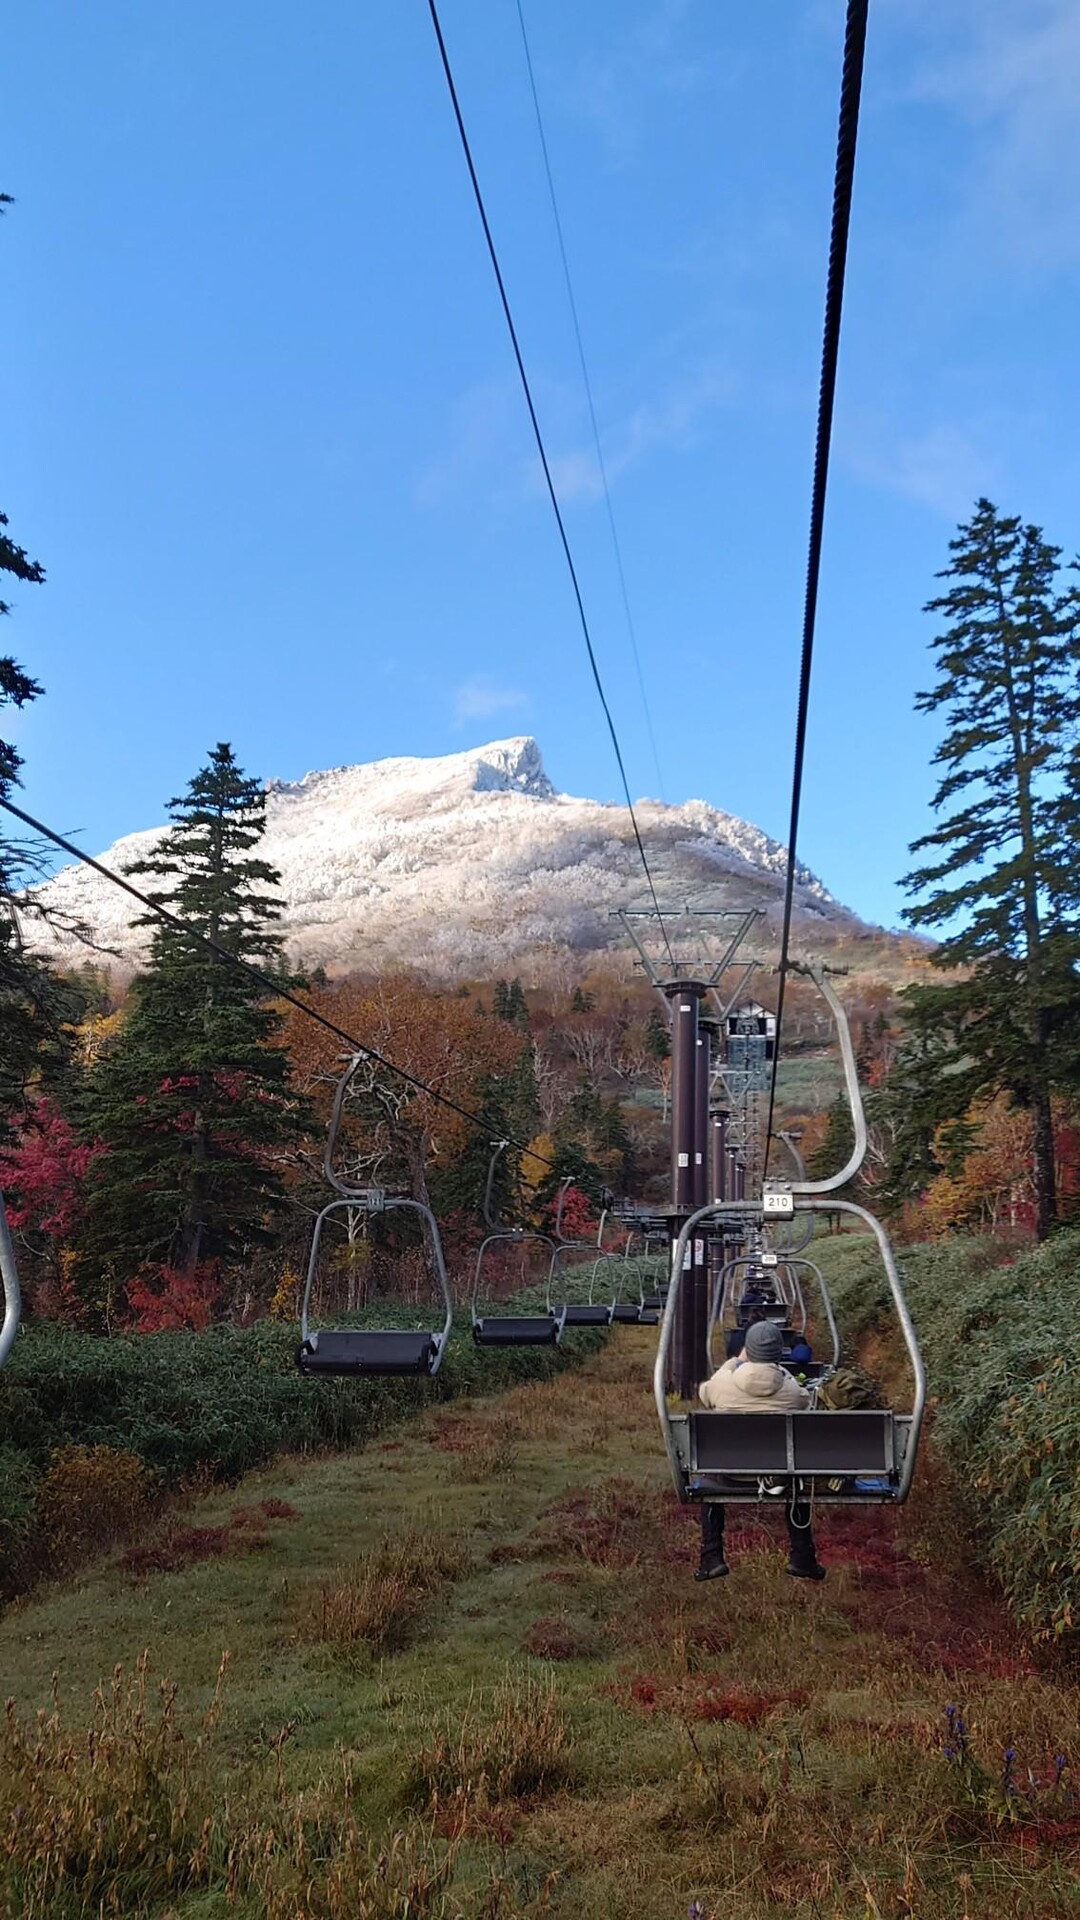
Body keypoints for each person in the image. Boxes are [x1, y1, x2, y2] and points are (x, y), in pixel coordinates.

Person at [694, 1319, 826, 1583]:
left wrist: (734, 1361)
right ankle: (802, 1556)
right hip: (777, 1474)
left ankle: (712, 1557)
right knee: (795, 1475)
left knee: (710, 1472)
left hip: (729, 1473)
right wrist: (782, 1370)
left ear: (747, 1351)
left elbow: (704, 1392)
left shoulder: (723, 1384)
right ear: (778, 1353)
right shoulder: (790, 1390)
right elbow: (804, 1400)